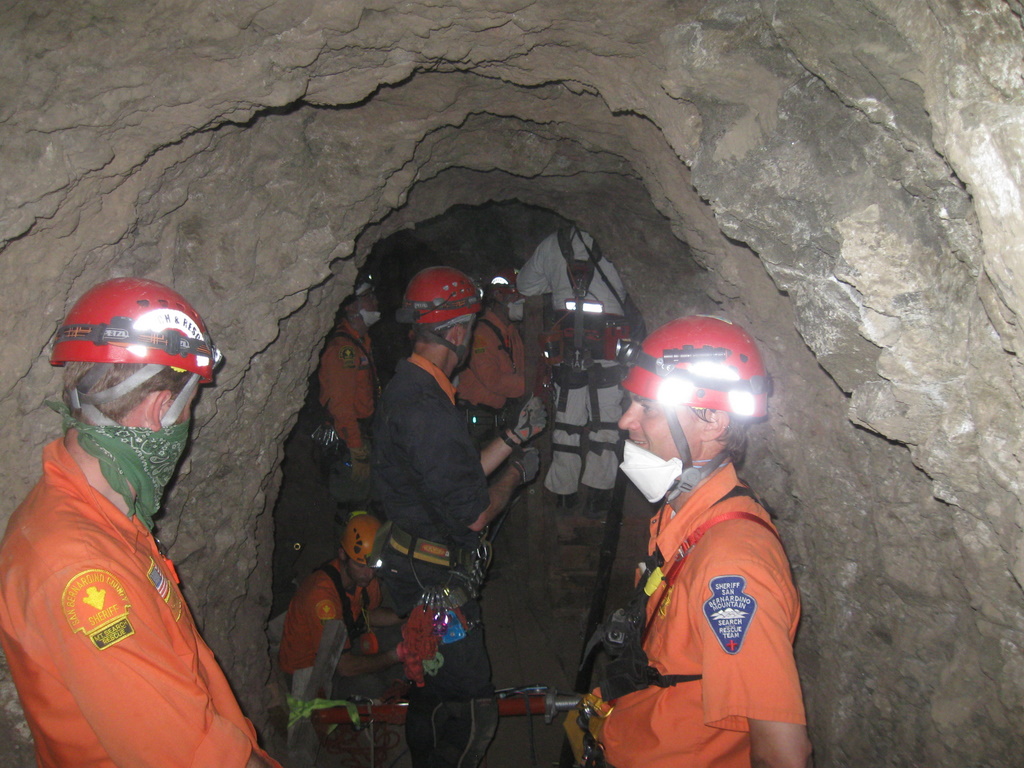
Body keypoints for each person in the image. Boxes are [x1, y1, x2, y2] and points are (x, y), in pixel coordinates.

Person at [0, 277, 280, 768]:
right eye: (187, 408)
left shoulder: (97, 515)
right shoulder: (77, 569)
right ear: (157, 411)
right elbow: (193, 758)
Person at [594, 315, 812, 768]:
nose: (625, 420)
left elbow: (783, 756)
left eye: (646, 407)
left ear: (713, 420)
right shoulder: (684, 514)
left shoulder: (733, 564)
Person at [371, 265, 546, 768]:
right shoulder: (427, 409)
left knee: (431, 675)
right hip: (433, 581)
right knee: (469, 691)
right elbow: (473, 514)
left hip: (412, 566)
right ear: (457, 332)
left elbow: (453, 475)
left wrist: (513, 438)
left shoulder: (410, 388)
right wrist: (515, 474)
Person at [517, 224, 634, 516]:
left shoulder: (552, 244)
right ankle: (597, 498)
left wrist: (558, 283)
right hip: (608, 352)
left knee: (567, 422)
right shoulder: (619, 239)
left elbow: (526, 285)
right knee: (606, 424)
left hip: (568, 351)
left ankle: (563, 497)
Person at [278, 511, 402, 698]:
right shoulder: (320, 598)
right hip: (307, 674)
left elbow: (367, 616)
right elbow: (344, 666)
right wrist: (395, 656)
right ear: (343, 555)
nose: (369, 574)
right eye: (361, 566)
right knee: (371, 686)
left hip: (341, 649)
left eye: (374, 565)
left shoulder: (365, 580)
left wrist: (408, 613)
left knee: (399, 633)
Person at [316, 282, 380, 507]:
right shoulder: (343, 349)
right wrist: (356, 447)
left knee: (365, 499)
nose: (375, 300)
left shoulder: (361, 342)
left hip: (362, 433)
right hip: (347, 440)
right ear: (352, 308)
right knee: (352, 502)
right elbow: (340, 406)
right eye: (368, 296)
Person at [457, 269, 526, 446]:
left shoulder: (512, 333)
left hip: (500, 419)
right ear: (498, 296)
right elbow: (493, 380)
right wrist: (529, 384)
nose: (520, 304)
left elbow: (519, 366)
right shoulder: (480, 333)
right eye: (515, 299)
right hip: (476, 422)